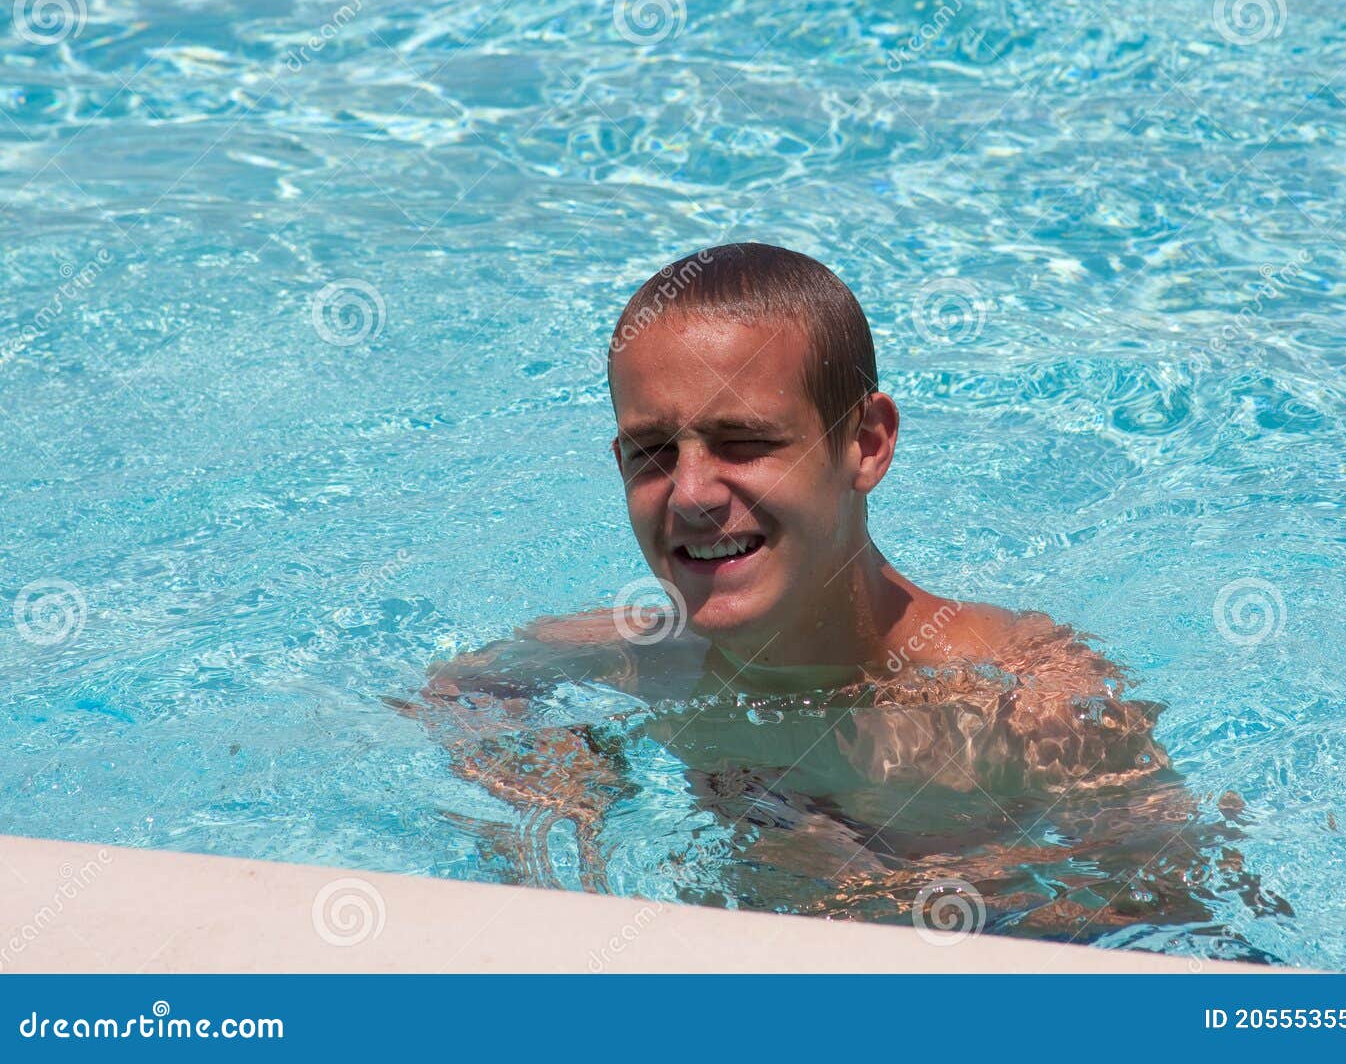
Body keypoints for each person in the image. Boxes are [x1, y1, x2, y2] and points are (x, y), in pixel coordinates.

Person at [403, 243, 1286, 949]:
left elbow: (1195, 922)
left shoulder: (1020, 696)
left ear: (865, 443)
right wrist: (549, 779)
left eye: (743, 441)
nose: (692, 493)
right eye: (651, 452)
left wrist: (872, 900)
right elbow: (458, 689)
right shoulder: (642, 652)